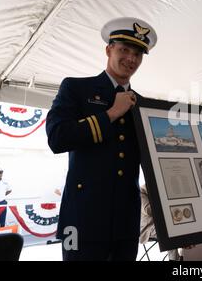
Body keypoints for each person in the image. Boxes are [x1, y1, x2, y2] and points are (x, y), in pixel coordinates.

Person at [46, 17, 157, 261]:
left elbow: (158, 165)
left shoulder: (144, 106)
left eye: (138, 53)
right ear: (108, 50)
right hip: (81, 220)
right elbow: (57, 138)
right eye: (124, 49)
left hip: (126, 225)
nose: (131, 58)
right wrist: (111, 114)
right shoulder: (76, 89)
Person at [139, 184, 180, 260]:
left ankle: (177, 255)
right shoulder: (140, 192)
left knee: (175, 227)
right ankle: (174, 259)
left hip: (159, 224)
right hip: (147, 229)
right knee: (167, 231)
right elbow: (149, 210)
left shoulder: (159, 193)